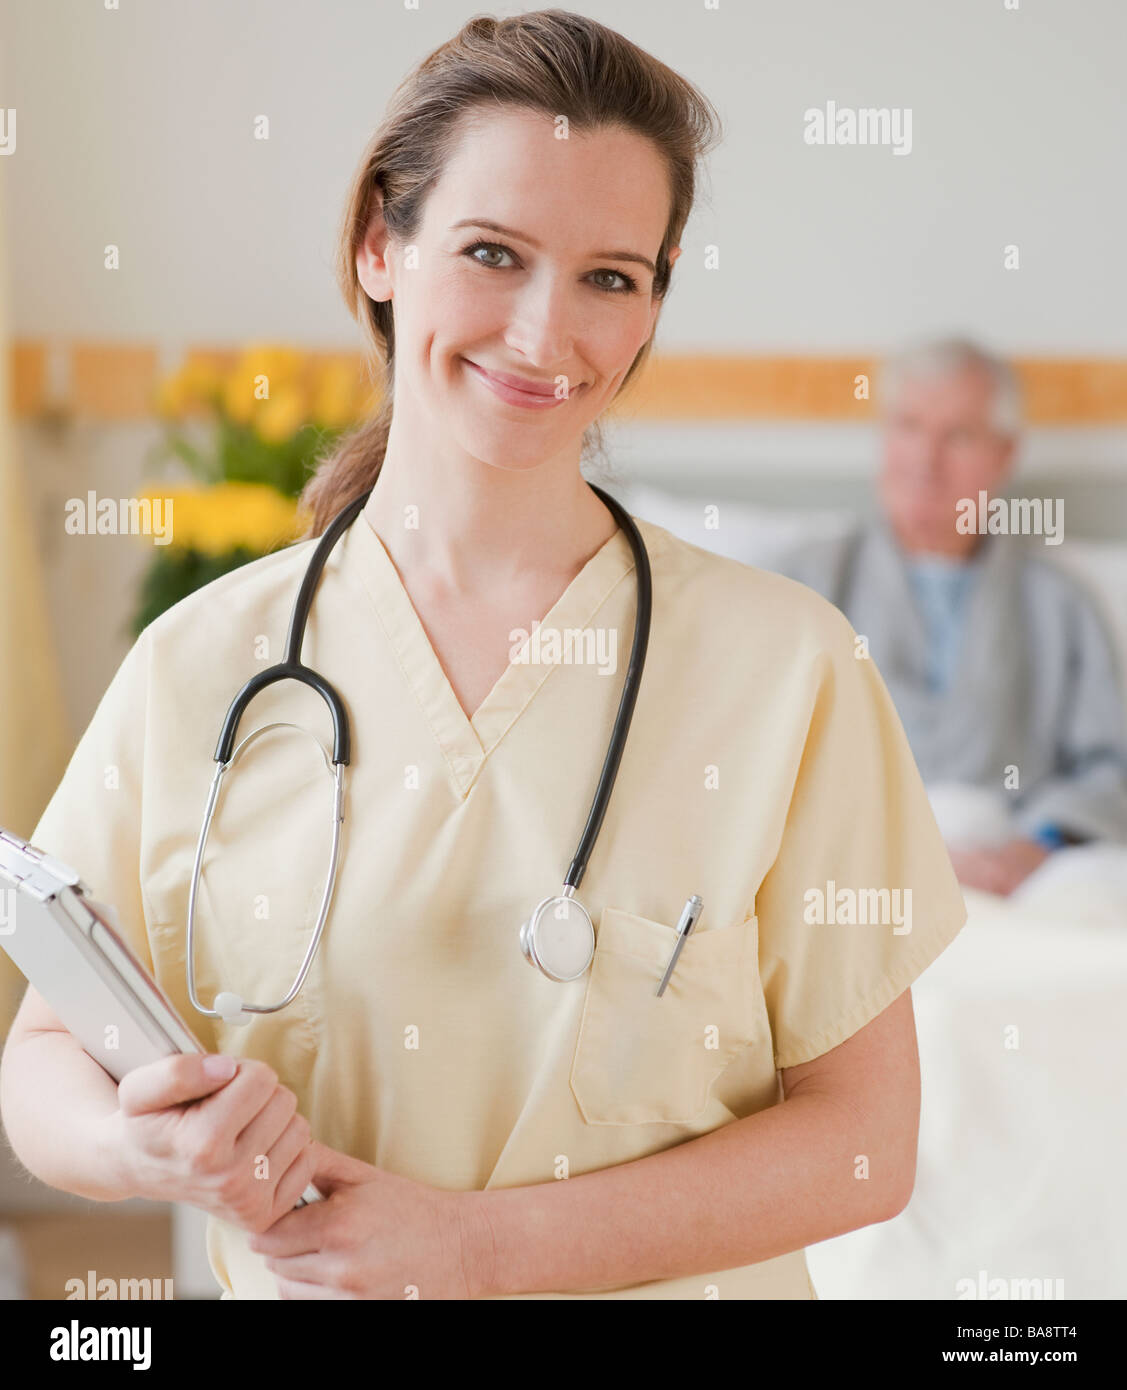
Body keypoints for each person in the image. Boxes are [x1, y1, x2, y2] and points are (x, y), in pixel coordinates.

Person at [0, 11, 967, 1300]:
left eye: (610, 277)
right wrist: (138, 1142)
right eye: (491, 254)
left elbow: (864, 1146)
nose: (540, 330)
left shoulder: (789, 671)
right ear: (378, 245)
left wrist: (474, 1250)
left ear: (653, 307)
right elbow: (45, 1056)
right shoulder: (201, 664)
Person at [776, 338, 1127, 897]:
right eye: (909, 427)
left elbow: (1106, 770)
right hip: (848, 875)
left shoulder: (1058, 604)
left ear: (1005, 454)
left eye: (957, 435)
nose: (925, 460)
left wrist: (1030, 851)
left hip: (1005, 876)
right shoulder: (801, 583)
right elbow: (755, 757)